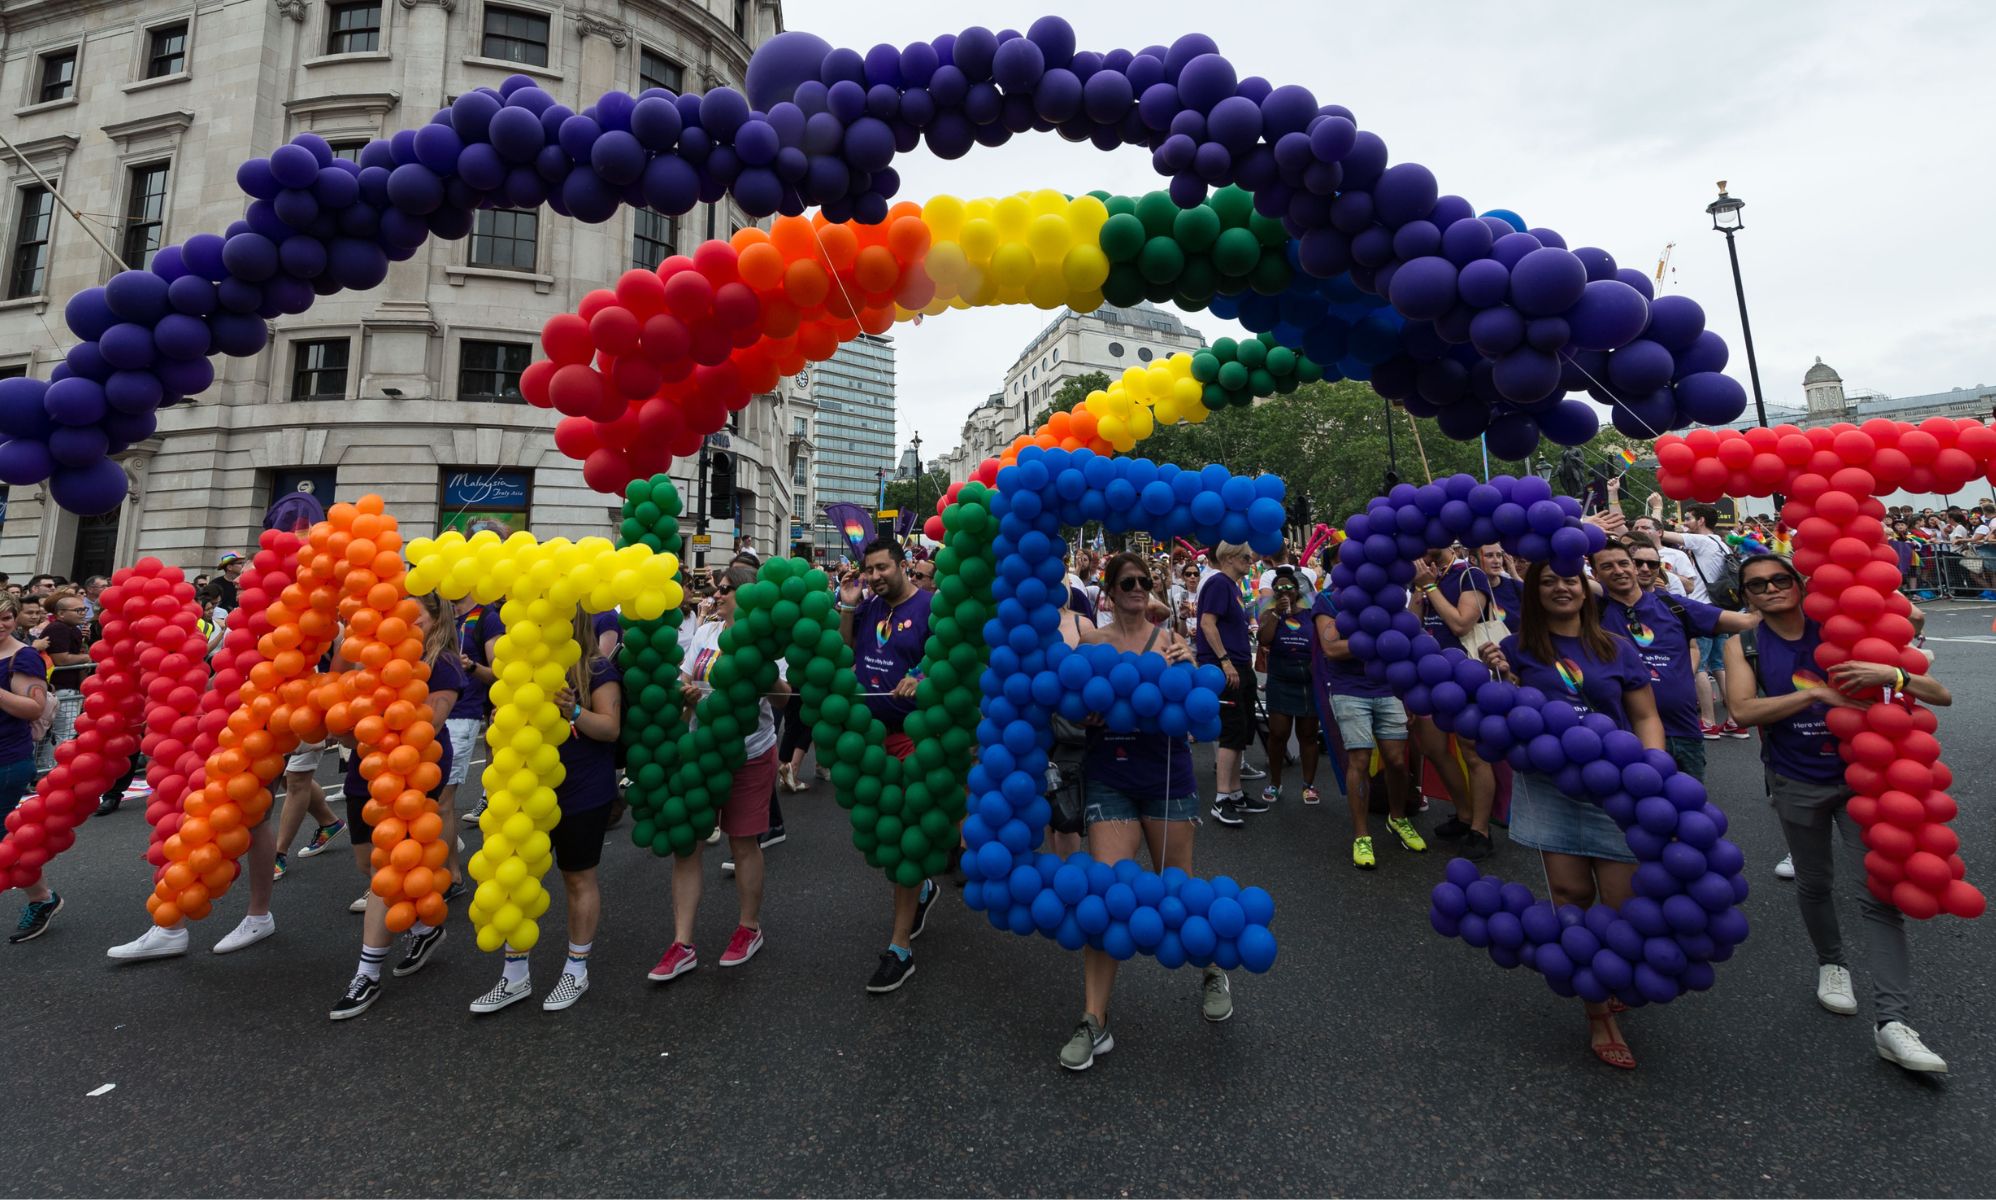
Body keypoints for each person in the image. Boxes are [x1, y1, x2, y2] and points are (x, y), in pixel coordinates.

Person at [1722, 554, 1952, 1073]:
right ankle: (1832, 964)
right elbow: (1741, 710)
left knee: (1878, 893)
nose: (1770, 588)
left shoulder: (1847, 630)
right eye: (1757, 585)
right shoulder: (1747, 644)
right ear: (1747, 597)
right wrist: (1818, 695)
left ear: (1801, 584)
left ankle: (1893, 1023)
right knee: (1814, 881)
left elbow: (1941, 695)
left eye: (1780, 579)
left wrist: (1891, 671)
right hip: (1795, 778)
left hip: (1866, 781)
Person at [1477, 561, 1664, 1070]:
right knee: (1572, 897)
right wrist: (1497, 674)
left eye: (1571, 579)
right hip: (1552, 788)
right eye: (1548, 581)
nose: (1562, 588)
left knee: (1623, 905)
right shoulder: (1514, 648)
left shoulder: (1616, 646)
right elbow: (1509, 716)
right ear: (1534, 592)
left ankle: (1611, 974)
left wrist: (1655, 775)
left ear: (1585, 589)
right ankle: (1598, 1013)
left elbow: (1646, 716)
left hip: (1618, 788)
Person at [1059, 553, 1232, 1070]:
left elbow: (1198, 706)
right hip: (1110, 774)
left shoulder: (1171, 643)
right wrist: (1083, 711)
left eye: (1144, 581)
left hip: (1165, 775)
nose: (1137, 588)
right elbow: (1071, 702)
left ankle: (1211, 968)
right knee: (1105, 895)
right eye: (1127, 582)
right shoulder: (1091, 643)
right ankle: (1094, 1020)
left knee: (1177, 887)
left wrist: (1191, 669)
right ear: (1107, 592)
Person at [465, 607, 622, 1015]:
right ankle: (514, 978)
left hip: (582, 789)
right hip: (527, 787)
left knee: (576, 879)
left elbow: (609, 728)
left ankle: (576, 968)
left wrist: (571, 710)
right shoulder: (525, 665)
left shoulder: (595, 668)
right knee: (516, 879)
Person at [330, 592, 467, 1018]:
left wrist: (387, 691)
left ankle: (367, 973)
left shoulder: (441, 663)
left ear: (435, 619)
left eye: (415, 617)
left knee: (383, 872)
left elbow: (428, 724)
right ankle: (426, 926)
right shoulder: (372, 655)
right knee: (367, 861)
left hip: (414, 769)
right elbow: (347, 722)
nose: (405, 624)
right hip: (368, 765)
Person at [647, 562, 785, 985]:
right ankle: (682, 943)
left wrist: (759, 673)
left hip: (749, 752)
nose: (717, 593)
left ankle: (749, 928)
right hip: (700, 750)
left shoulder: (766, 640)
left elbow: (782, 699)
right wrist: (683, 692)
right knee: (686, 845)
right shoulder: (706, 633)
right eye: (716, 587)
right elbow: (683, 677)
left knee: (743, 843)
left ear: (745, 595)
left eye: (725, 588)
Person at [837, 537, 941, 993]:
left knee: (905, 840)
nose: (875, 577)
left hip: (913, 739)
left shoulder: (932, 608)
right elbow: (844, 656)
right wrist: (846, 606)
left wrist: (920, 678)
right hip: (867, 740)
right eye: (869, 571)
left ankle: (899, 948)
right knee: (883, 835)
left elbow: (948, 662)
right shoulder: (868, 608)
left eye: (882, 568)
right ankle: (920, 890)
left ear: (902, 565)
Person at [1592, 542, 1758, 781]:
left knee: (1689, 809)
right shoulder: (1590, 613)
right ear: (1595, 574)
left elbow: (1748, 623)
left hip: (1684, 734)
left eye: (1624, 563)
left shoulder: (1674, 606)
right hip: (1624, 736)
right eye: (1607, 566)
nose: (1619, 571)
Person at [1313, 575, 1424, 870]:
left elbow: (1408, 636)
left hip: (1388, 687)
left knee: (1397, 761)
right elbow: (1332, 649)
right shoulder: (1327, 599)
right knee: (1359, 761)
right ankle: (1362, 836)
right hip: (1349, 691)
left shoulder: (1386, 594)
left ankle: (1398, 818)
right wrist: (1378, 641)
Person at [1408, 547, 1497, 860]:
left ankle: (1481, 830)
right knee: (1432, 748)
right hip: (1431, 675)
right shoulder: (1427, 577)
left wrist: (1430, 587)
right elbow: (1412, 625)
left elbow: (1462, 624)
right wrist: (1421, 588)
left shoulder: (1470, 575)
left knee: (1473, 753)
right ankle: (1464, 815)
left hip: (1467, 674)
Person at [1651, 501, 1744, 740]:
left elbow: (1658, 531)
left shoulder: (1702, 541)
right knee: (1719, 665)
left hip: (1703, 609)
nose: (1685, 524)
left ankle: (1708, 722)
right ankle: (1735, 720)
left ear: (1701, 521)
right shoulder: (1721, 542)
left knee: (1700, 666)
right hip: (1719, 607)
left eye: (1689, 519)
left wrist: (1657, 508)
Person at [1, 599, 58, 942]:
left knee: (5, 840)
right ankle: (42, 898)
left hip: (7, 760)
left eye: (5, 618)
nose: (1, 625)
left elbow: (33, 707)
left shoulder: (22, 656)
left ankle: (41, 898)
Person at [1195, 542, 1258, 827]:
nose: (1251, 561)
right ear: (1230, 558)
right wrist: (1225, 661)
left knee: (1242, 729)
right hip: (1227, 667)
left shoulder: (1233, 586)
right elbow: (1208, 624)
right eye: (1246, 557)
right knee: (1232, 730)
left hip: (1241, 664)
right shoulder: (1218, 583)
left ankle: (1235, 793)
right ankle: (1221, 799)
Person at [1254, 568, 1322, 806]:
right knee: (1278, 733)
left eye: (1288, 588)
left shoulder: (1311, 612)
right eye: (1279, 589)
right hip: (1281, 681)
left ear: (1297, 590)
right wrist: (1276, 613)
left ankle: (1308, 785)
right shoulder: (1268, 612)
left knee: (1308, 735)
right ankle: (1275, 782)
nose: (1284, 592)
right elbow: (1264, 639)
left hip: (1307, 682)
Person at [452, 594, 504, 827]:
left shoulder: (486, 617)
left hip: (476, 703)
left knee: (493, 746)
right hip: (448, 704)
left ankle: (489, 797)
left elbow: (496, 672)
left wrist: (471, 666)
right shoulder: (446, 617)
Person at [1475, 544, 1523, 632]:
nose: (1496, 561)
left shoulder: (1515, 586)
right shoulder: (1469, 591)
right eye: (1489, 556)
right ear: (1473, 560)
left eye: (1499, 555)